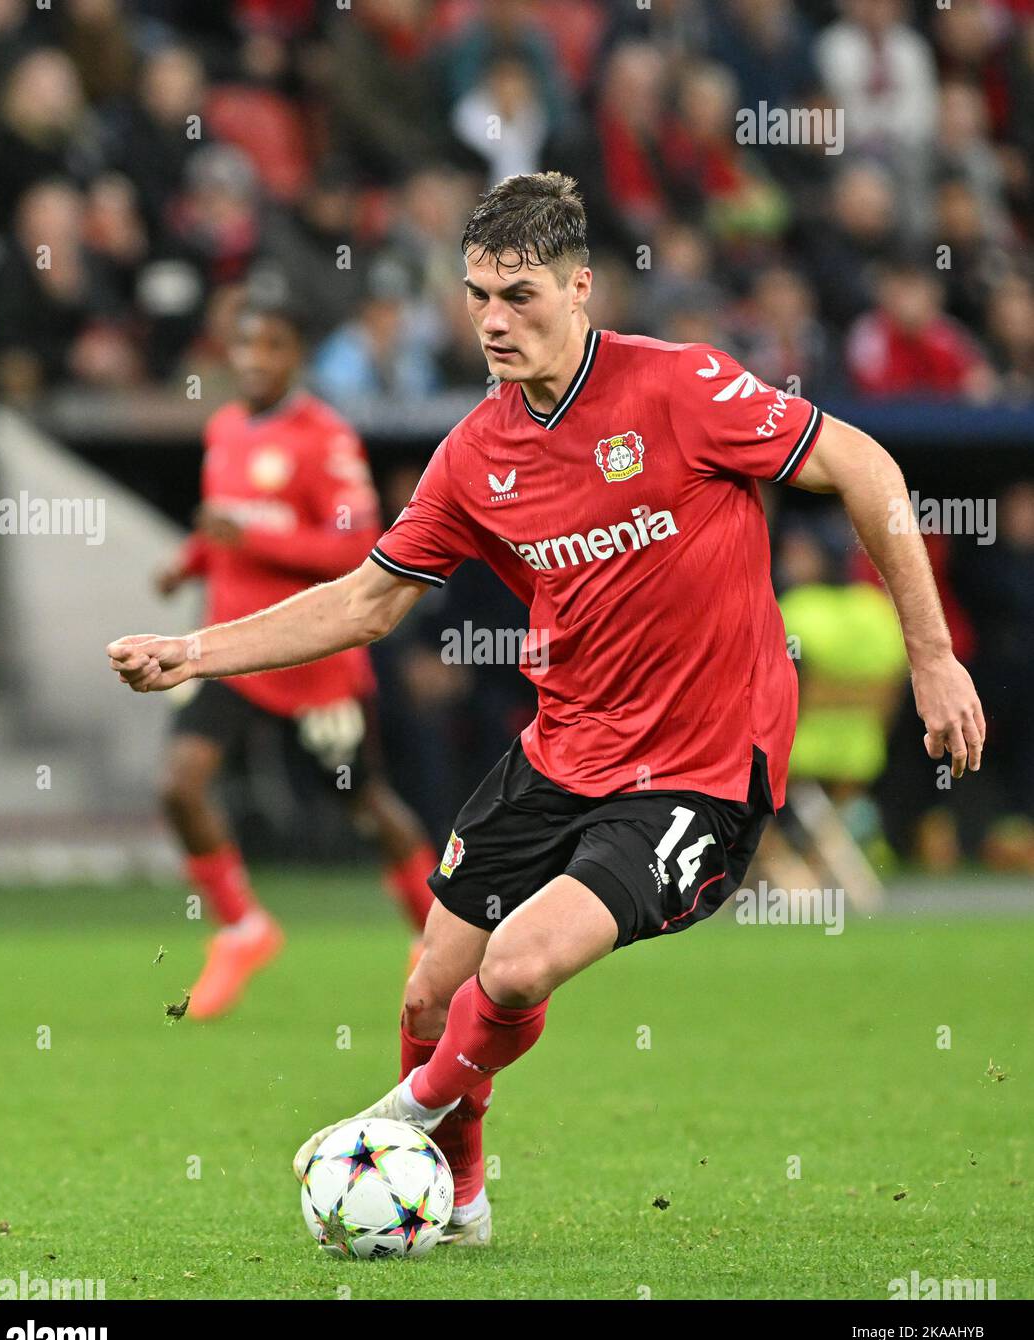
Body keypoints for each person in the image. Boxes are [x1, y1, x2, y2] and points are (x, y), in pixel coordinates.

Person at [109, 173, 985, 1247]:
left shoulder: (683, 389)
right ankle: (461, 1199)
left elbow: (867, 465)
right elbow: (367, 600)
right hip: (561, 750)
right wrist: (191, 651)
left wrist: (931, 652)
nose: (491, 319)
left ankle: (406, 1118)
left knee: (516, 963)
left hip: (698, 772)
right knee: (431, 990)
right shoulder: (477, 453)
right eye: (476, 294)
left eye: (517, 295)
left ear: (582, 290)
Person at [153, 299, 438, 1019]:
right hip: (229, 650)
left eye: (271, 346)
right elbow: (228, 524)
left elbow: (356, 548)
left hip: (310, 662)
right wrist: (188, 564)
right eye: (244, 347)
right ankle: (243, 927)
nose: (254, 360)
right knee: (180, 784)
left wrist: (252, 542)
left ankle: (436, 935)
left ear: (296, 358)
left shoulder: (326, 438)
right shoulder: (224, 428)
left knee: (368, 808)